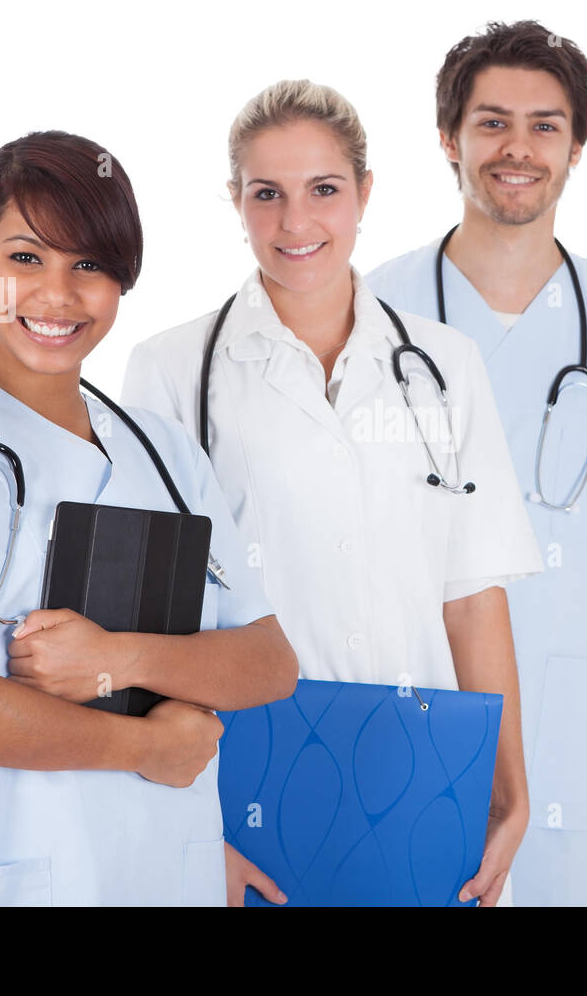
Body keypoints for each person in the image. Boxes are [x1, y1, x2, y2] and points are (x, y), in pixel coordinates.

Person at [0, 130, 297, 907]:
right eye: (25, 257)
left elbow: (268, 660)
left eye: (88, 265)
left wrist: (117, 657)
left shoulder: (166, 452)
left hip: (165, 875)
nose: (56, 296)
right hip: (0, 882)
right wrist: (143, 745)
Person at [122, 80, 543, 907]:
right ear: (236, 202)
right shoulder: (171, 371)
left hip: (422, 776)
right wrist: (192, 826)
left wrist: (511, 791)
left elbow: (471, 598)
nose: (295, 222)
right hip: (246, 781)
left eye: (323, 189)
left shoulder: (446, 366)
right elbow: (148, 623)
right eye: (266, 194)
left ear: (364, 193)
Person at [366, 21, 587, 906]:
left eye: (544, 126)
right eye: (492, 123)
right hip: (400, 702)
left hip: (565, 724)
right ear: (449, 139)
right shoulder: (371, 310)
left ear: (576, 147)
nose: (517, 149)